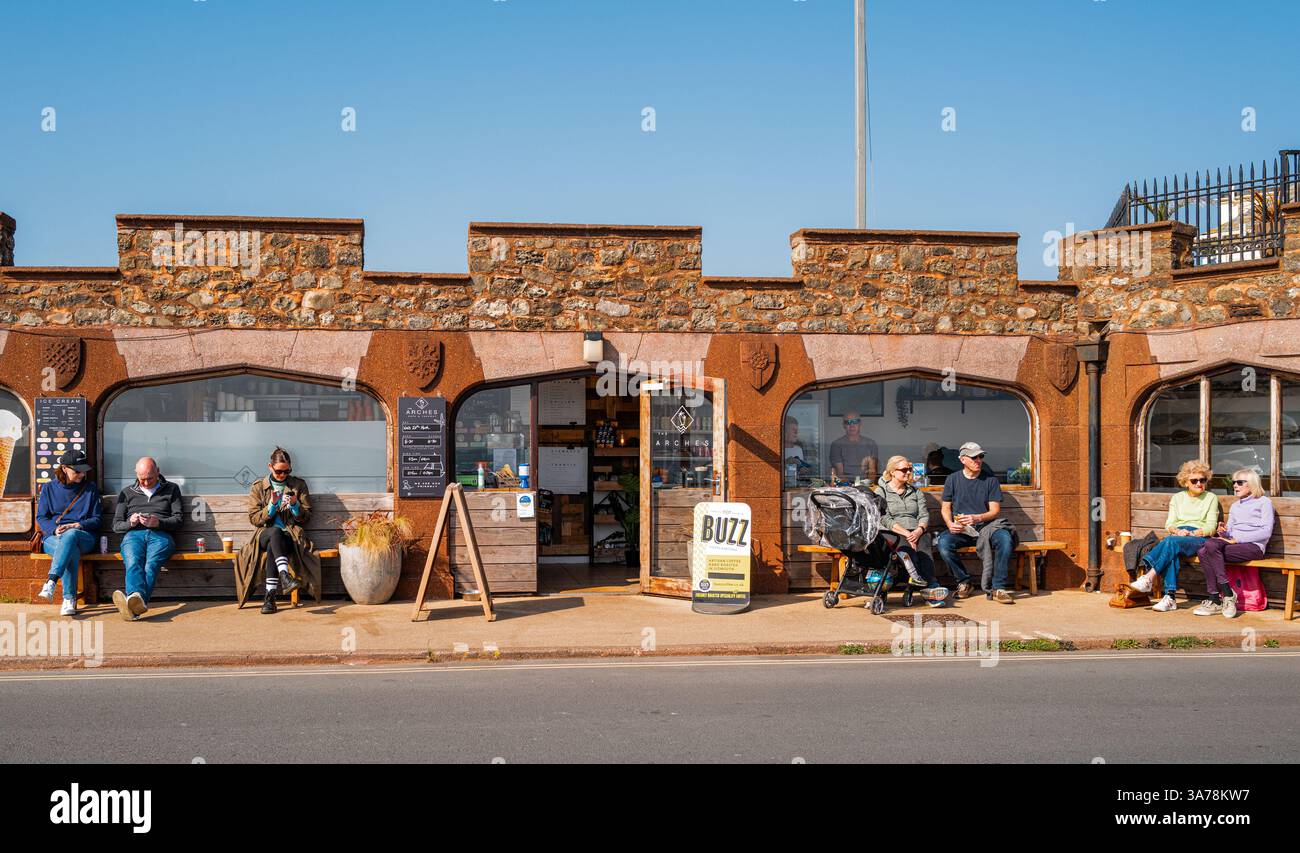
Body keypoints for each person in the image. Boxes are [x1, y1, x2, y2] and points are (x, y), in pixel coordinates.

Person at [233, 447, 321, 614]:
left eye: (287, 471)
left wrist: (295, 505)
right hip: (264, 534)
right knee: (274, 533)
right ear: (270, 467)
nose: (283, 475)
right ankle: (285, 577)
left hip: (290, 535)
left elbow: (307, 517)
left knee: (276, 542)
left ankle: (270, 599)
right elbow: (254, 518)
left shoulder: (298, 485)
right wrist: (272, 506)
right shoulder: (259, 487)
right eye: (279, 471)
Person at [1128, 459, 1219, 612]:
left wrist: (1193, 532)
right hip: (1179, 535)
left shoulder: (1211, 498)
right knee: (1172, 551)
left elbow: (1211, 526)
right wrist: (1177, 531)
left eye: (1202, 480)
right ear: (1186, 482)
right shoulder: (1177, 498)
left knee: (1170, 543)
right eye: (1194, 480)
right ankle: (1170, 598)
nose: (1199, 483)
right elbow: (1169, 524)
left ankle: (1149, 578)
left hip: (1198, 537)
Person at [935, 441, 1018, 603]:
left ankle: (998, 587)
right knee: (943, 543)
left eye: (981, 456)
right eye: (974, 457)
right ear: (963, 459)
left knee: (1005, 539)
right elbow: (945, 508)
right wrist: (950, 524)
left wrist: (977, 518)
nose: (979, 460)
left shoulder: (990, 480)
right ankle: (964, 582)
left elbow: (994, 510)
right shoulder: (952, 479)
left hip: (987, 527)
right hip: (963, 529)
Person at [1192, 468, 1273, 618]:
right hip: (1235, 544)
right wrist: (1224, 532)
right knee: (1206, 548)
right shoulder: (1236, 506)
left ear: (1252, 484)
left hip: (1254, 547)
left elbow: (1265, 532)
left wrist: (1237, 539)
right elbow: (1231, 532)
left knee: (1206, 551)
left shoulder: (1264, 502)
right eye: (1234, 482)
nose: (1235, 485)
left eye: (1240, 482)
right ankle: (1224, 595)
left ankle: (1218, 599)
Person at [110, 457, 183, 621]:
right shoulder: (127, 492)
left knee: (151, 564)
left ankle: (133, 604)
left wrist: (159, 522)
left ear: (158, 471)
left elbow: (178, 521)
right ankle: (135, 607)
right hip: (133, 535)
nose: (146, 482)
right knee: (133, 561)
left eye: (150, 478)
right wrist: (131, 522)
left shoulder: (172, 489)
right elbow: (116, 526)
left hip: (161, 536)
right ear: (136, 474)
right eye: (142, 479)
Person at [35, 449, 103, 617]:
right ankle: (69, 599)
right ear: (64, 468)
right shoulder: (49, 488)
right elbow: (42, 517)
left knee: (71, 536)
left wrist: (78, 524)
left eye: (83, 471)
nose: (81, 474)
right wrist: (54, 529)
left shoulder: (90, 489)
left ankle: (51, 580)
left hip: (84, 537)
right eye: (77, 471)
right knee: (68, 547)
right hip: (55, 537)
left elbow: (97, 519)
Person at [876, 455, 948, 606]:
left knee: (925, 542)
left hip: (916, 531)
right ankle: (930, 587)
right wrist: (907, 534)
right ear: (892, 472)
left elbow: (923, 514)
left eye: (909, 469)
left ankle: (930, 587)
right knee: (908, 548)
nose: (908, 472)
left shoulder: (915, 492)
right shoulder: (881, 491)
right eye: (904, 470)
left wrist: (919, 530)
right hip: (892, 532)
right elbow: (884, 518)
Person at [829, 411, 879, 482]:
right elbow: (840, 473)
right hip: (845, 486)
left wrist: (867, 486)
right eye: (848, 422)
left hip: (865, 485)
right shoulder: (836, 445)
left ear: (860, 423)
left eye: (855, 421)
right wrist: (851, 489)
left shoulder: (871, 444)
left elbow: (872, 471)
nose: (852, 426)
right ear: (844, 425)